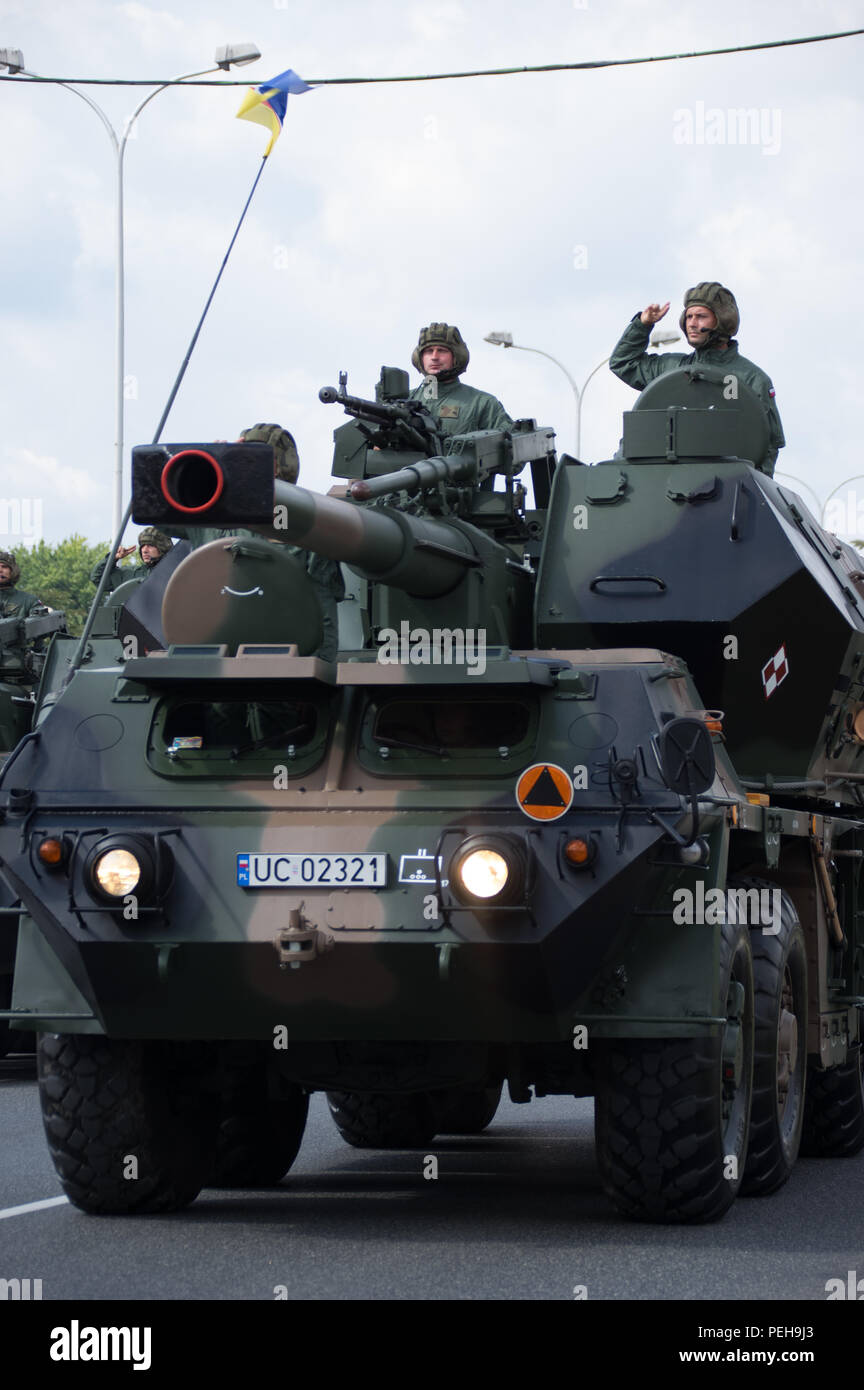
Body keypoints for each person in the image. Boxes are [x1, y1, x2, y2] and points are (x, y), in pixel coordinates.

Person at [166, 423, 344, 663]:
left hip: (282, 668)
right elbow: (148, 505)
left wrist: (319, 672)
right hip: (211, 665)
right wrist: (204, 466)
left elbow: (323, 615)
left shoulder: (306, 522)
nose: (246, 463)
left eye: (256, 457)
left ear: (279, 466)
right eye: (241, 456)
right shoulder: (209, 511)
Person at [609, 282, 785, 475]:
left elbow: (767, 445)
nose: (692, 323)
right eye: (689, 316)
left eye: (701, 317)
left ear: (722, 321)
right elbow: (623, 362)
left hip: (723, 484)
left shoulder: (751, 379)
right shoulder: (671, 369)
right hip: (665, 479)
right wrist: (643, 325)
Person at [408, 323, 512, 437]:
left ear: (456, 356)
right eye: (428, 351)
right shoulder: (403, 400)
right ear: (420, 357)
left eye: (442, 350)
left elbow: (509, 443)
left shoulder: (481, 403)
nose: (434, 357)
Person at [0, 549, 47, 683]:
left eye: (4, 567)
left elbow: (40, 625)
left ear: (12, 571)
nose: (0, 570)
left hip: (15, 669)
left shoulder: (28, 600)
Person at [91, 528, 173, 596]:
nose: (144, 550)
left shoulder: (175, 574)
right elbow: (98, 578)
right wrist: (113, 558)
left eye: (150, 545)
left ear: (162, 548)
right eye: (143, 546)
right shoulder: (131, 574)